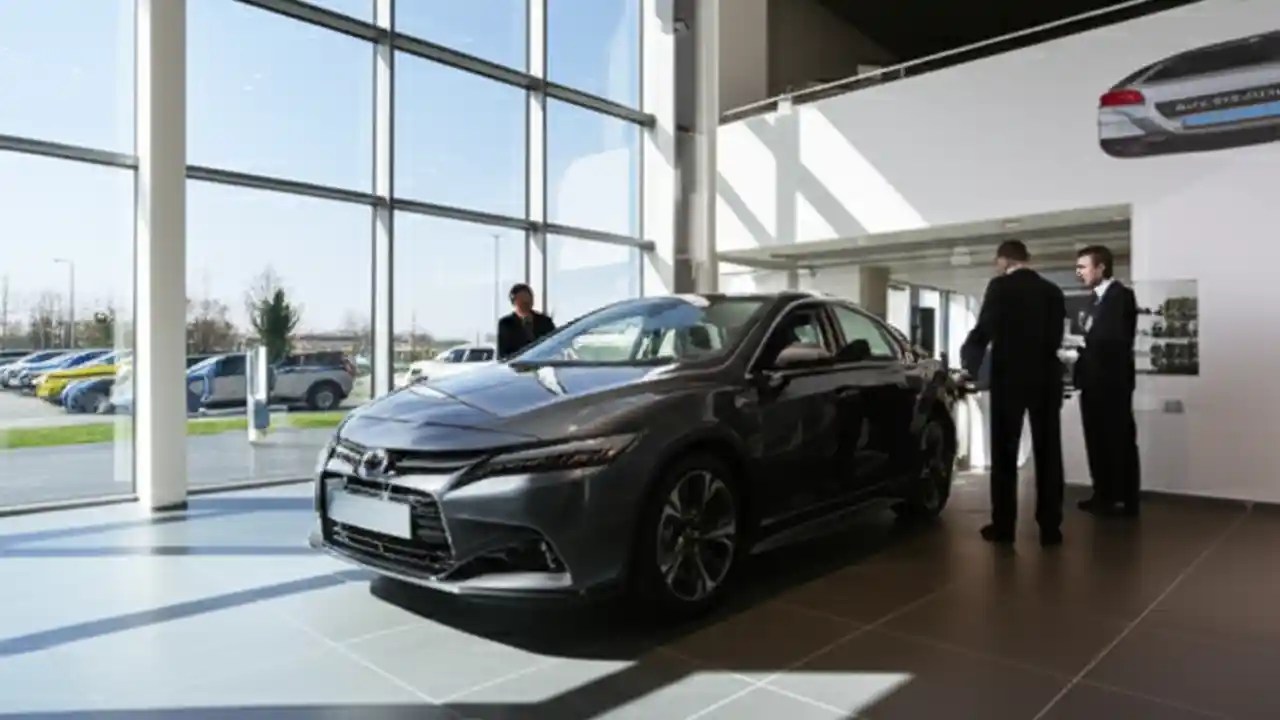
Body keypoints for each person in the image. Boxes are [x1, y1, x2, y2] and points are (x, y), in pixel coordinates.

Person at [961, 240, 1067, 546]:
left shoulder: (1000, 288)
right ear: (1027, 259)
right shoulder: (1052, 291)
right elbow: (1055, 338)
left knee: (1005, 453)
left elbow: (984, 330)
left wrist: (969, 361)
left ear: (1003, 260)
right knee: (1049, 453)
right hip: (1046, 378)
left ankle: (1004, 526)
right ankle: (1050, 527)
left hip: (1010, 378)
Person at [1073, 245, 1140, 517]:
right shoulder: (1093, 301)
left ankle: (1125, 498)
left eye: (1083, 267)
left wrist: (1082, 344)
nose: (1078, 273)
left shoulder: (1120, 296)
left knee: (1118, 439)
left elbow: (1112, 339)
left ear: (1101, 267)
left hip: (1112, 381)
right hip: (1092, 380)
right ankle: (1103, 493)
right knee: (1096, 439)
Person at [497, 283, 555, 359]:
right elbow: (503, 354)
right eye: (522, 301)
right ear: (514, 302)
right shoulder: (506, 324)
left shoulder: (545, 321)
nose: (526, 303)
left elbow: (554, 345)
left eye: (529, 299)